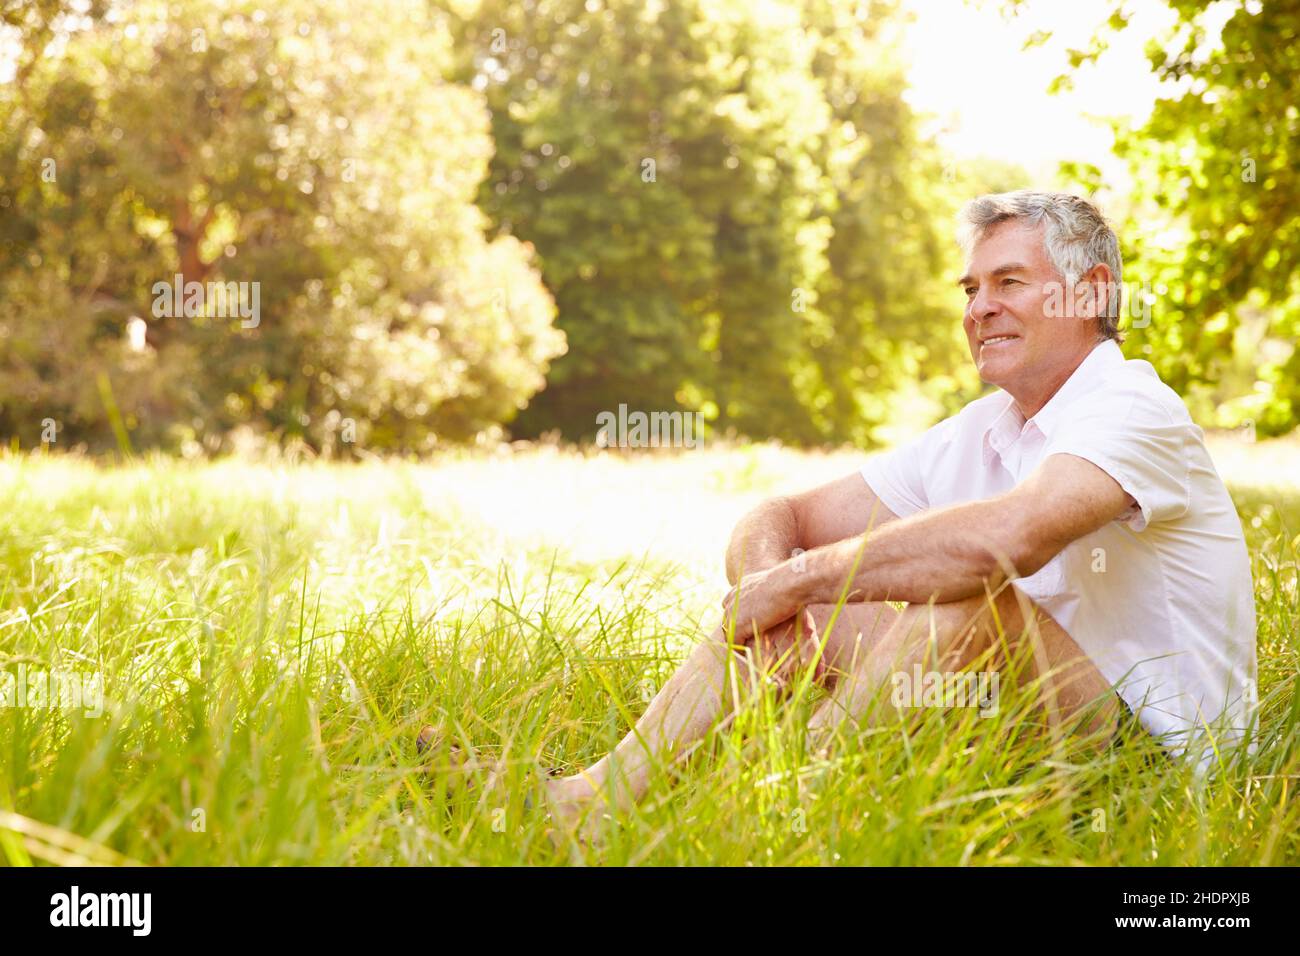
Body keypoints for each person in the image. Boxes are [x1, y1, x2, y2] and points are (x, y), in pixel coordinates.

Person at [541, 190, 1258, 833]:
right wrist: (769, 588)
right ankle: (590, 803)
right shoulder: (985, 427)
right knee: (808, 607)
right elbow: (785, 512)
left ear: (1091, 293)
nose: (979, 308)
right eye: (972, 289)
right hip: (1038, 736)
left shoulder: (1135, 408)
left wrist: (799, 582)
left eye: (1010, 282)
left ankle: (763, 820)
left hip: (1160, 764)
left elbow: (1009, 541)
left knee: (965, 608)